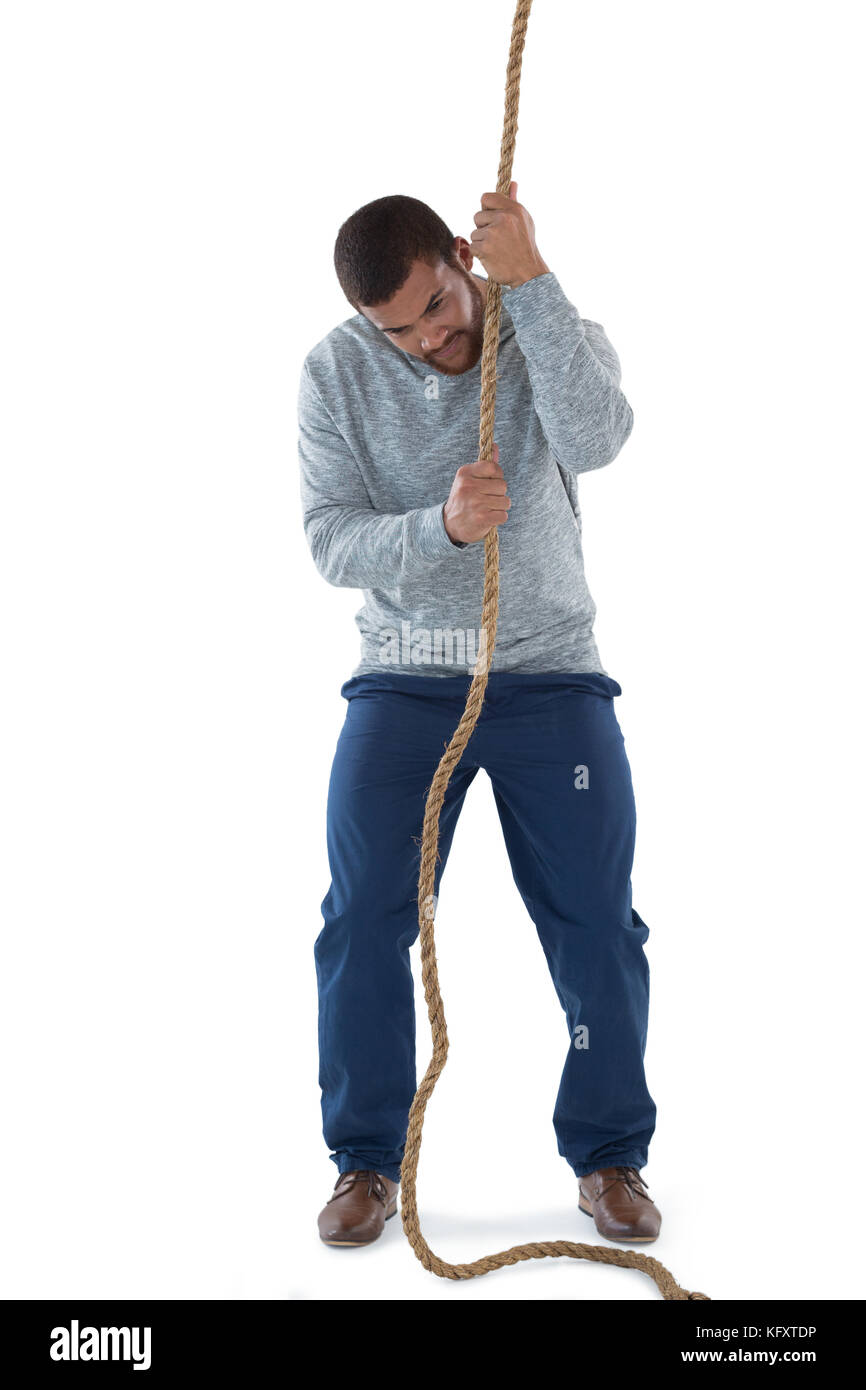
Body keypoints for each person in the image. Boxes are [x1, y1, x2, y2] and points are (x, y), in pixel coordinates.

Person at [298, 186, 661, 1250]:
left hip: (549, 672)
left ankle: (608, 1156)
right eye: (398, 328)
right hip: (406, 675)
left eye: (436, 305)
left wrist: (532, 276)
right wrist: (441, 528)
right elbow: (328, 539)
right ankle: (362, 1161)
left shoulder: (536, 322)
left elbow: (598, 439)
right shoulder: (332, 373)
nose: (426, 337)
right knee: (360, 917)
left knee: (595, 921)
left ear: (461, 258)